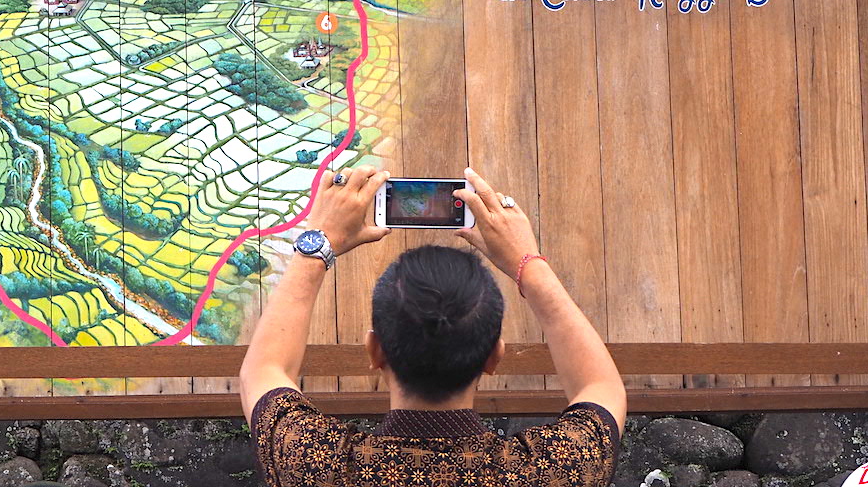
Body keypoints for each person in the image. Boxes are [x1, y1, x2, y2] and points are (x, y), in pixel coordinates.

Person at [239, 165, 626, 487]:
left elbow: (263, 370)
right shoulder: (557, 469)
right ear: (495, 356)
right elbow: (601, 387)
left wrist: (315, 247)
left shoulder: (314, 464)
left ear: (375, 352)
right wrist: (528, 263)